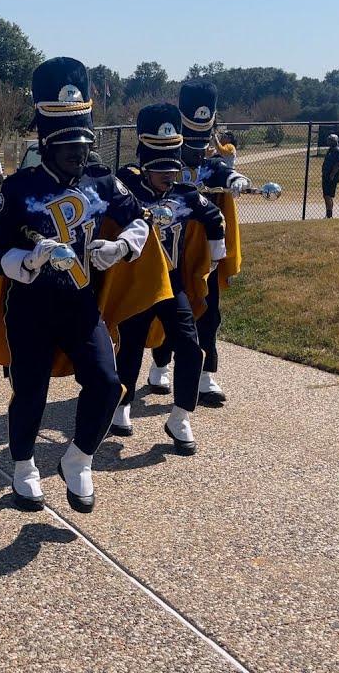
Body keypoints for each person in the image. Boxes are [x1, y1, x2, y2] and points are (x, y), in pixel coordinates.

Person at [0, 57, 164, 514]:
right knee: (31, 392)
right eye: (68, 146)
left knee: (108, 383)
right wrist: (30, 258)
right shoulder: (19, 188)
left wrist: (123, 247)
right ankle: (23, 466)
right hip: (30, 308)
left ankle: (78, 458)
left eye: (83, 144)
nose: (78, 153)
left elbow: (141, 218)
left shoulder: (102, 180)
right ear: (47, 144)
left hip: (81, 303)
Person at [113, 104, 227, 454]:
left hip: (171, 282)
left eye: (172, 167)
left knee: (191, 347)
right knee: (130, 345)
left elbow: (214, 217)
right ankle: (122, 403)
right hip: (137, 283)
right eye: (159, 168)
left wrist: (215, 254)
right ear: (144, 166)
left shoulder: (185, 195)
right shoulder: (128, 190)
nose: (168, 175)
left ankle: (180, 416)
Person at [159, 80, 250, 407]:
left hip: (204, 250)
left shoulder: (211, 162)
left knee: (209, 310)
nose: (196, 150)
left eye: (201, 141)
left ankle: (205, 374)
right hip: (169, 246)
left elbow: (220, 171)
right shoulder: (163, 163)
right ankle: (159, 365)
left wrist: (235, 178)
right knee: (163, 307)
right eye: (190, 140)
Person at [322, 133, 339, 218]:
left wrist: (332, 174)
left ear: (334, 141)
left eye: (330, 140)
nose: (328, 141)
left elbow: (338, 164)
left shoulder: (337, 150)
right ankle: (329, 214)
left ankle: (329, 215)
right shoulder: (331, 150)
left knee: (327, 195)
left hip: (331, 177)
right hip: (327, 175)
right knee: (327, 195)